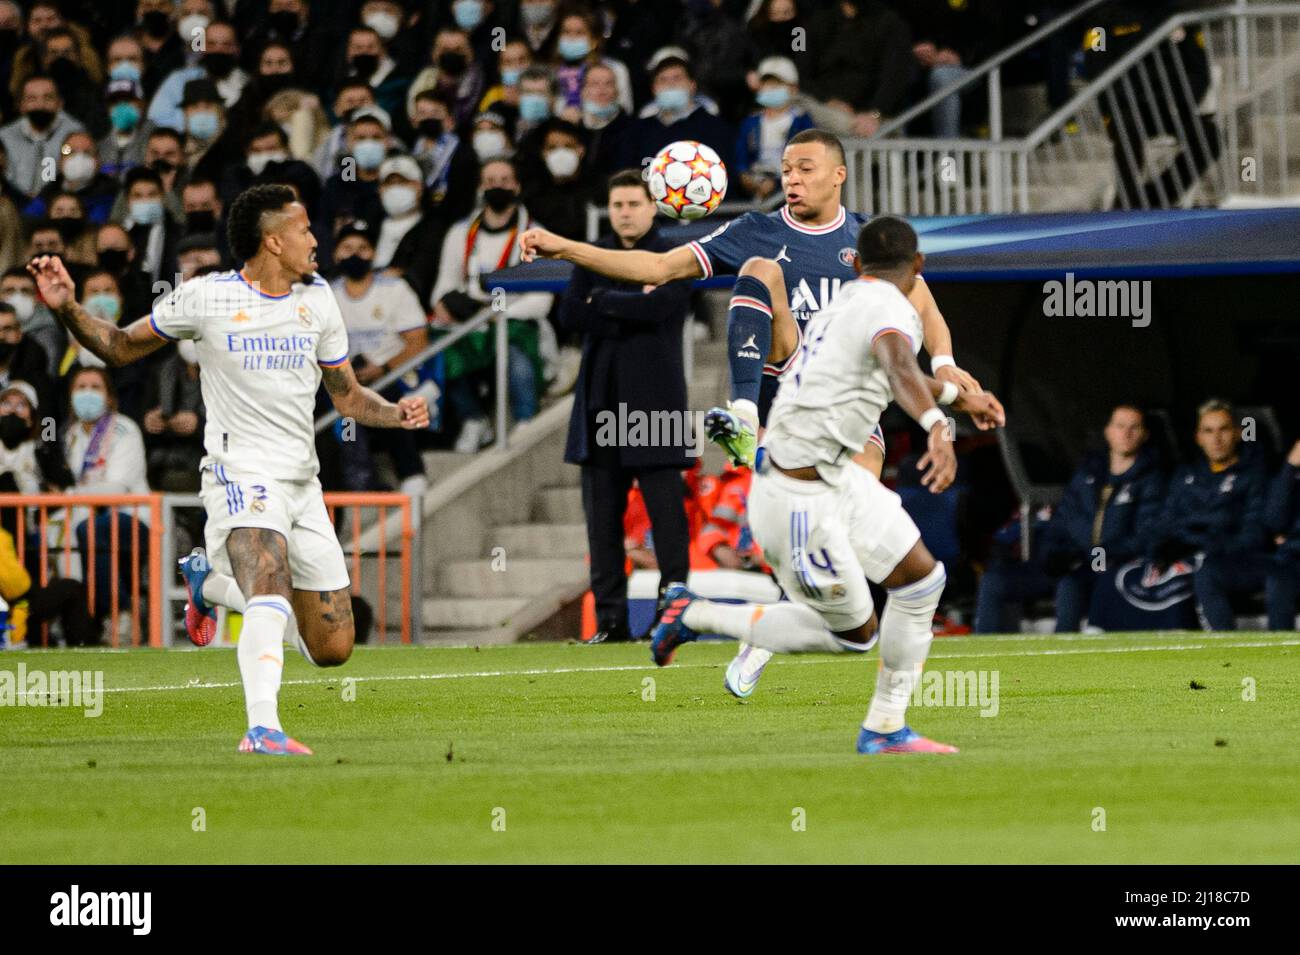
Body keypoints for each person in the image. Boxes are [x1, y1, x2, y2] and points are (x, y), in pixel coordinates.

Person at [28, 182, 429, 756]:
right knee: (268, 582)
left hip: (301, 481)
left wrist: (396, 413)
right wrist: (67, 305)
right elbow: (117, 347)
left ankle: (209, 584)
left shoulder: (317, 300)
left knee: (331, 648)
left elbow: (348, 397)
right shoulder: (204, 297)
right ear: (272, 240)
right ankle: (262, 727)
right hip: (238, 473)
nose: (316, 240)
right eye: (304, 229)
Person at [648, 216, 1003, 754]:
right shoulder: (890, 309)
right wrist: (936, 426)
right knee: (855, 635)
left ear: (856, 265)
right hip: (798, 496)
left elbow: (891, 368)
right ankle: (692, 613)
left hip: (830, 476)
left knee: (921, 581)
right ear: (919, 268)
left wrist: (959, 398)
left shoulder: (845, 303)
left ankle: (886, 728)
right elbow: (898, 363)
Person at [560, 169, 694, 644]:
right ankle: (611, 623)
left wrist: (603, 301)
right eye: (617, 205)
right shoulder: (592, 252)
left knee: (667, 516)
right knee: (602, 522)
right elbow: (570, 312)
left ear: (653, 206)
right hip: (598, 402)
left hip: (654, 402)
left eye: (634, 204)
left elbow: (663, 308)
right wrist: (628, 301)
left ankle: (673, 616)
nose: (625, 213)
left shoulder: (674, 255)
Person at [431, 157, 554, 452]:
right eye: (490, 181)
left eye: (504, 180)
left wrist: (496, 315)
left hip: (515, 318)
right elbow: (443, 288)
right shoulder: (460, 233)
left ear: (517, 186)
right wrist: (449, 307)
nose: (497, 186)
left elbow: (543, 299)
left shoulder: (537, 234)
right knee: (439, 343)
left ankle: (526, 417)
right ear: (479, 188)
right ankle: (473, 418)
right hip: (470, 321)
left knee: (512, 341)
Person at [329, 218, 429, 497]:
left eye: (362, 248)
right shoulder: (326, 295)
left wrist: (383, 367)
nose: (355, 254)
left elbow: (418, 341)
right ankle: (359, 482)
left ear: (373, 253)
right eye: (347, 247)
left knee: (385, 395)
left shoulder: (394, 289)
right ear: (336, 254)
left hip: (395, 374)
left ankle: (412, 473)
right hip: (346, 382)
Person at [1149, 399, 1268, 630]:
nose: (1216, 438)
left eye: (1223, 429)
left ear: (1238, 433)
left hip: (1229, 561)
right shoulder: (1185, 475)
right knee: (1126, 574)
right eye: (1208, 431)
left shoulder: (1253, 476)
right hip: (1182, 558)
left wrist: (1202, 541)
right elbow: (1161, 525)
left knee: (1203, 573)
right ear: (1198, 437)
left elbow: (1254, 535)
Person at [734, 57, 815, 201]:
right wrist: (745, 177)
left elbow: (808, 160)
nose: (771, 89)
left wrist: (777, 183)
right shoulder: (750, 122)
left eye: (777, 85)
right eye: (767, 84)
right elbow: (741, 157)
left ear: (793, 88)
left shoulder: (802, 121)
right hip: (755, 192)